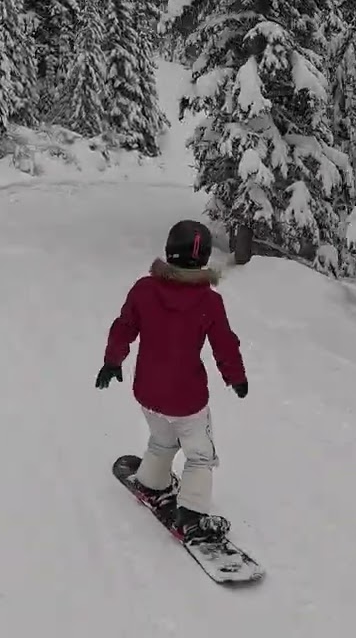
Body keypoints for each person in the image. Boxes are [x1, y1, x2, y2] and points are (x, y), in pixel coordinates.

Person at [96, 219, 248, 539]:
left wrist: (112, 362)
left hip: (148, 392)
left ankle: (152, 482)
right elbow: (224, 343)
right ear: (204, 258)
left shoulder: (144, 289)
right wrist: (235, 377)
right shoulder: (208, 302)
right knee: (199, 454)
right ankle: (191, 516)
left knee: (162, 440)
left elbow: (123, 327)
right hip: (187, 398)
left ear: (168, 251)